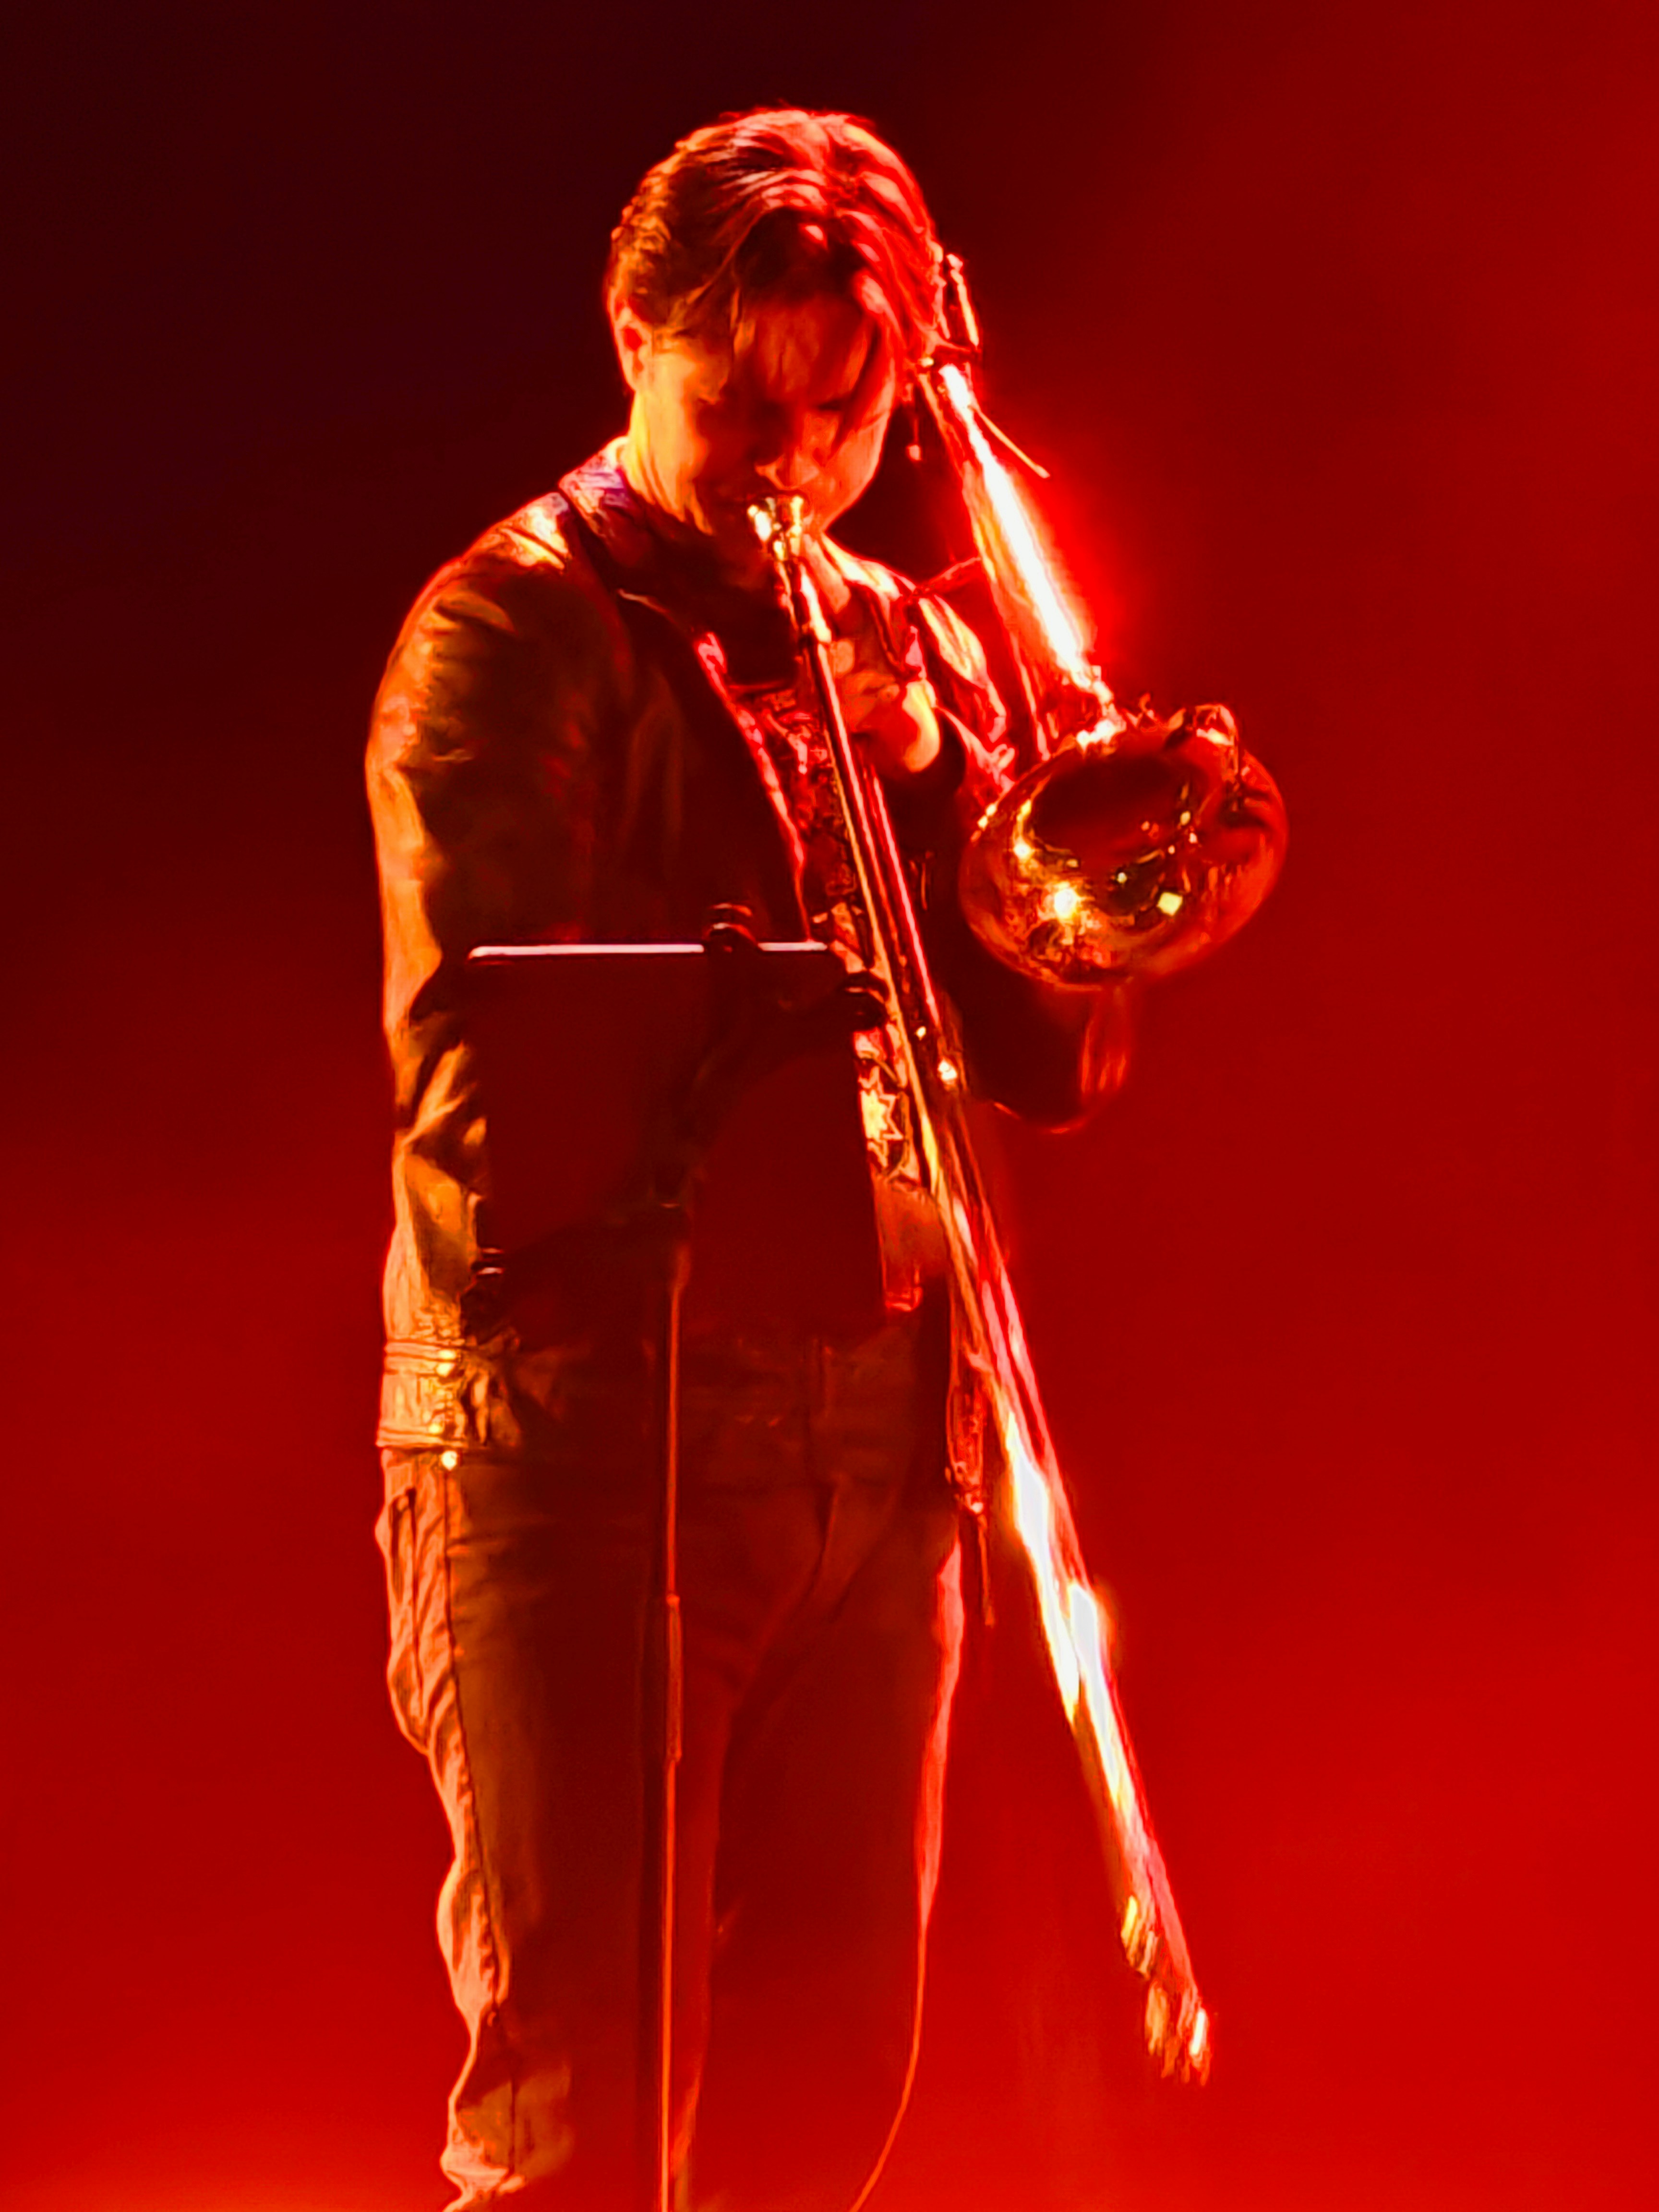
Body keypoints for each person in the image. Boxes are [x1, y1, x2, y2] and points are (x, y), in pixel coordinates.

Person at [366, 108, 1129, 2212]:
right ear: (633, 333)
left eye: (846, 411)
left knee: (820, 2099)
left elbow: (1057, 1054)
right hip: (586, 1453)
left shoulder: (917, 649)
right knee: (584, 2124)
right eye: (740, 401)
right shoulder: (504, 634)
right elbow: (501, 1094)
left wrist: (937, 764)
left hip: (880, 1463)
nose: (797, 461)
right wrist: (818, 856)